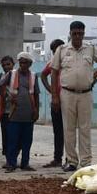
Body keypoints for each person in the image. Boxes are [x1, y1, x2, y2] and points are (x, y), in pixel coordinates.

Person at [49, 21, 97, 172]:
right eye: (74, 33)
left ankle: (86, 162)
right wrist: (55, 96)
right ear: (70, 33)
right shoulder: (62, 50)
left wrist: (93, 76)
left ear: (83, 33)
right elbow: (54, 72)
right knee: (68, 128)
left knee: (85, 128)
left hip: (85, 94)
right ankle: (71, 161)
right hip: (67, 94)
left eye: (80, 33)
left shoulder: (90, 48)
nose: (77, 36)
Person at [0, 52, 40, 171]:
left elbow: (36, 94)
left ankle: (25, 164)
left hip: (28, 114)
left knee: (27, 141)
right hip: (14, 113)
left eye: (25, 62)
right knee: (12, 140)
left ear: (30, 64)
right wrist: (7, 96)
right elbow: (0, 86)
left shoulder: (33, 76)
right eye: (20, 62)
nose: (22, 65)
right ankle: (11, 163)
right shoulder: (12, 74)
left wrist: (36, 110)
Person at [38, 39, 65, 168]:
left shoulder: (68, 62)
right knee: (58, 131)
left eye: (60, 48)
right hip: (56, 101)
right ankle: (57, 158)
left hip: (69, 100)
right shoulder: (52, 63)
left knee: (68, 131)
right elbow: (43, 75)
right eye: (56, 50)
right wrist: (51, 90)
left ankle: (70, 159)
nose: (58, 52)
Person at [0, 55, 15, 159]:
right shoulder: (2, 77)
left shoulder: (17, 75)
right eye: (3, 65)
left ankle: (13, 157)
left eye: (8, 64)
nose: (6, 67)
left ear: (13, 64)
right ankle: (9, 159)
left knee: (15, 136)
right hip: (5, 111)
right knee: (6, 136)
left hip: (16, 112)